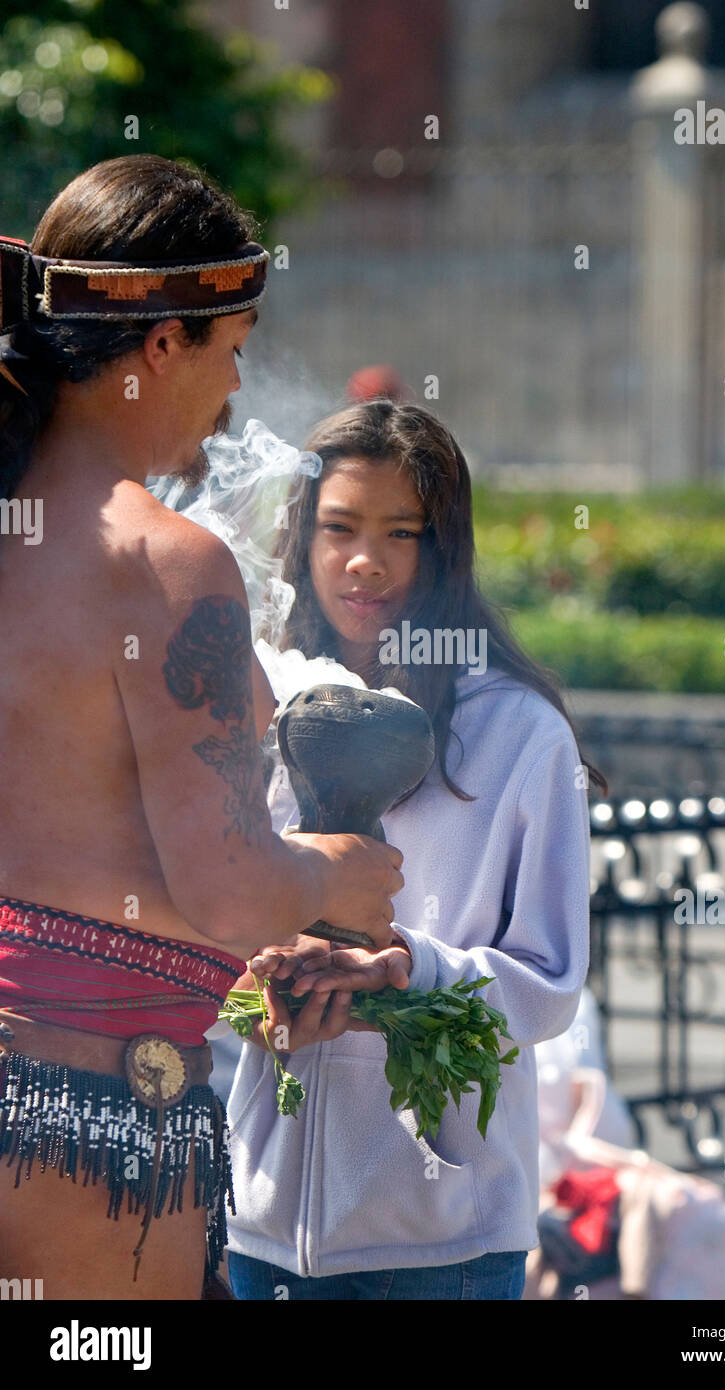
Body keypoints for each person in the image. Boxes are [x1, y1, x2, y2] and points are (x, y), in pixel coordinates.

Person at [0, 157, 402, 1301]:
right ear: (159, 344)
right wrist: (336, 872)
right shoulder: (166, 562)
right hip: (86, 1112)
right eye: (229, 346)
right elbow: (226, 887)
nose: (235, 388)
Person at [216, 399, 595, 1300]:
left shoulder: (521, 735)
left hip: (443, 1242)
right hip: (260, 1226)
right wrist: (263, 988)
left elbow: (550, 986)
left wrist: (408, 967)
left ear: (445, 549)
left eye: (402, 532)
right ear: (301, 539)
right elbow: (206, 924)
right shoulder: (250, 710)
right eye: (338, 526)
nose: (364, 561)